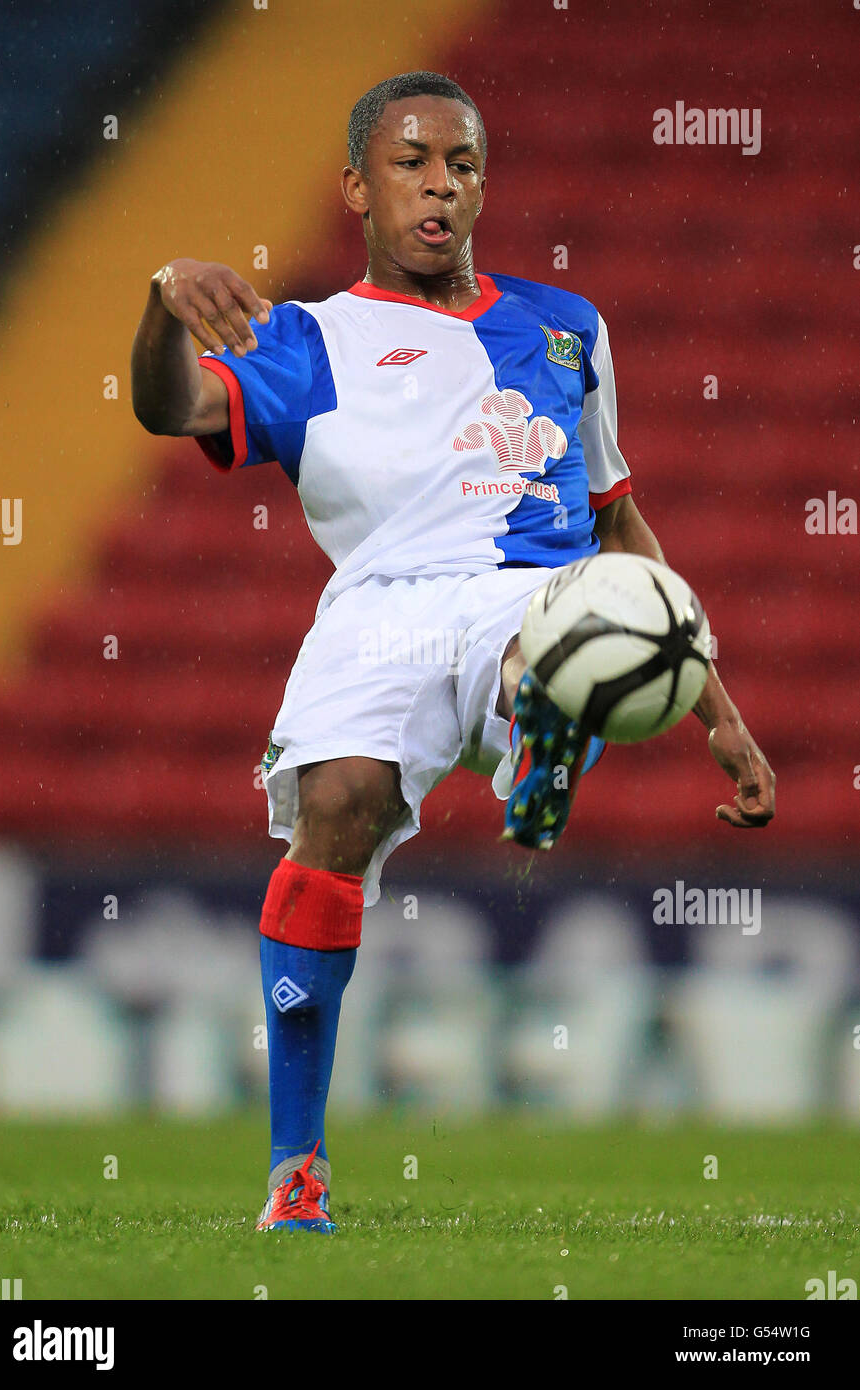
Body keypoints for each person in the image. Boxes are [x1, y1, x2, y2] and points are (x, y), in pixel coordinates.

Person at [131, 70, 776, 1234]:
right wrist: (162, 297)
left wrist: (718, 709)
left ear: (484, 182)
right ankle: (297, 1175)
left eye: (462, 163)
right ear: (358, 188)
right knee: (334, 809)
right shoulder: (310, 336)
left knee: (555, 630)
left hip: (526, 593)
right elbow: (168, 411)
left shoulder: (567, 327)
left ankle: (542, 726)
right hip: (376, 611)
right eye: (412, 162)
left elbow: (619, 519)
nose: (440, 186)